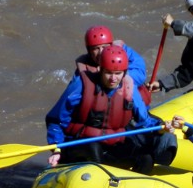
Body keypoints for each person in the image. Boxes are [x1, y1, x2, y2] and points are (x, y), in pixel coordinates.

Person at [46, 45, 177, 174]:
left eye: (118, 73)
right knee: (94, 149)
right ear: (101, 69)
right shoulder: (81, 85)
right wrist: (57, 148)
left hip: (111, 147)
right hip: (80, 144)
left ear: (124, 73)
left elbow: (145, 120)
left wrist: (161, 127)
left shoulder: (129, 89)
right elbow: (55, 120)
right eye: (108, 73)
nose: (113, 78)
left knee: (146, 159)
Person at [76, 25, 147, 88]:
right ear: (89, 51)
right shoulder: (83, 70)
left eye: (104, 47)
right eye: (96, 48)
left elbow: (140, 74)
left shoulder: (123, 51)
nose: (101, 52)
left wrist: (118, 75)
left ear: (111, 45)